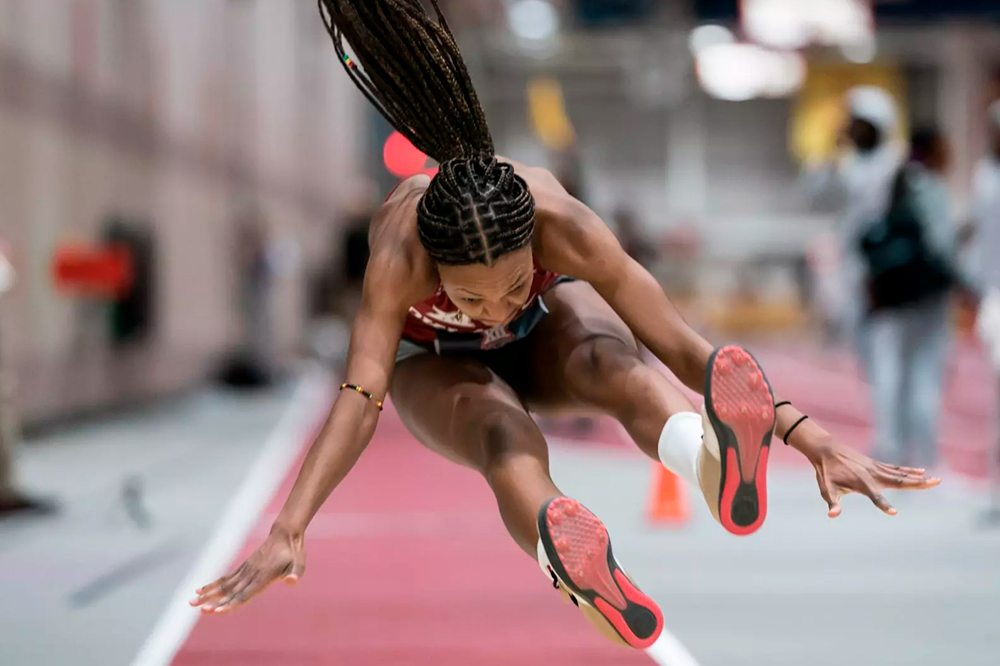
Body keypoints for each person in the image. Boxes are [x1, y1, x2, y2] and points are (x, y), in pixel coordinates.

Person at [191, 0, 939, 649]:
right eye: (473, 297)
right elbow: (361, 396)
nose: (496, 308)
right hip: (433, 361)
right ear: (434, 268)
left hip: (547, 333)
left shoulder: (564, 222)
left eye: (514, 282)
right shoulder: (398, 250)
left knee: (618, 362)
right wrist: (290, 525)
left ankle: (712, 465)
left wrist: (805, 435)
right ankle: (570, 548)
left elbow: (679, 341)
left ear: (535, 242)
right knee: (499, 430)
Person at [863, 127, 965, 470]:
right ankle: (925, 459)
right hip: (925, 299)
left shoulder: (896, 181)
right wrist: (963, 283)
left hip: (894, 298)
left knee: (893, 374)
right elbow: (941, 247)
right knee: (924, 377)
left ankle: (892, 452)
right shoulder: (931, 189)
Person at [804, 86, 905, 371]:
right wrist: (830, 154)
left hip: (889, 269)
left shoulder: (896, 165)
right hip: (854, 267)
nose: (855, 130)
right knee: (866, 354)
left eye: (861, 124)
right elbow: (814, 197)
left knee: (889, 352)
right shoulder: (846, 165)